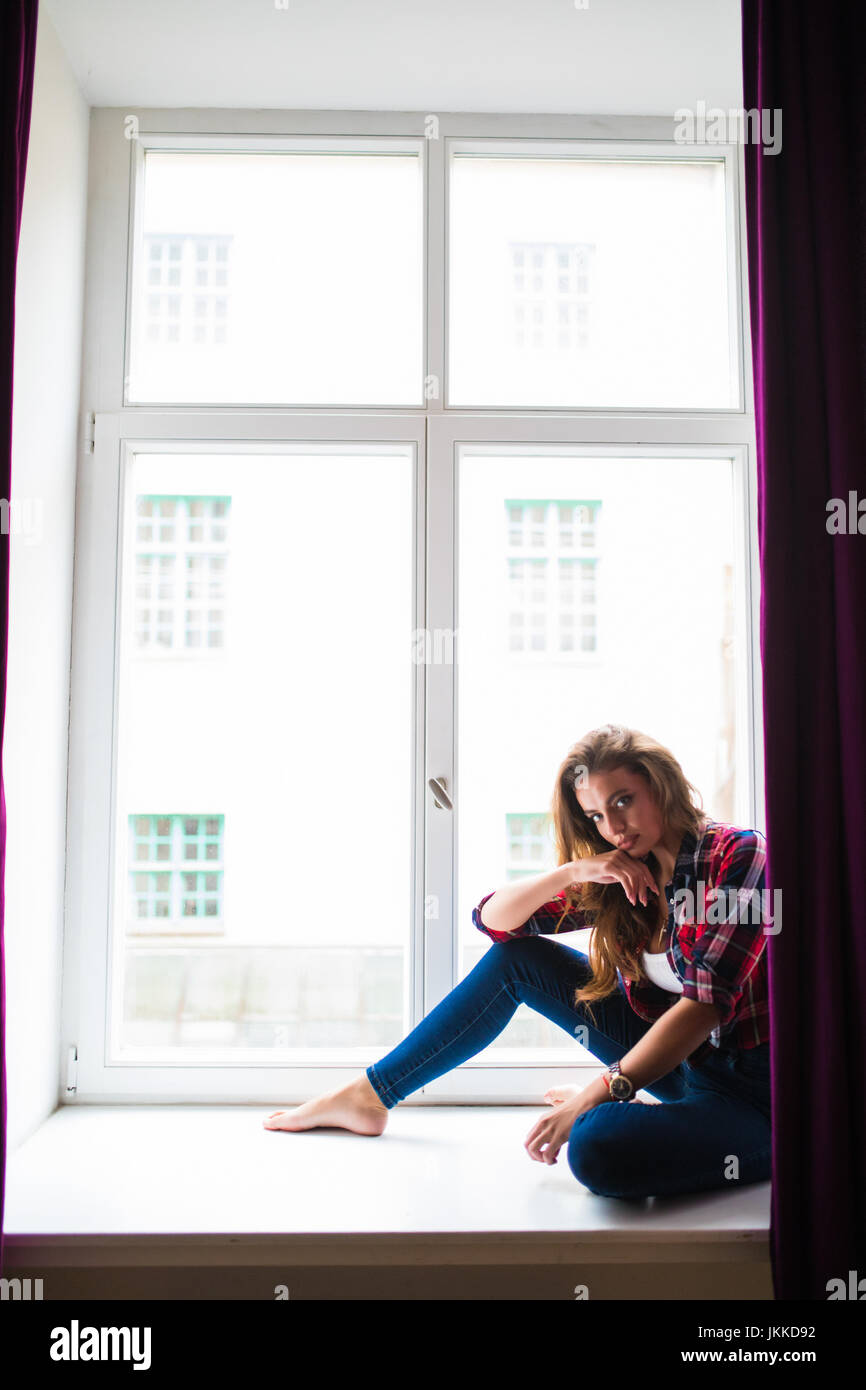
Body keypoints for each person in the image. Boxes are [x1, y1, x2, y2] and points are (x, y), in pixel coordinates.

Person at [263, 723, 772, 1200]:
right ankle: (369, 1096)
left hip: (754, 1093)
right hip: (683, 1066)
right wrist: (574, 871)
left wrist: (597, 1093)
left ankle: (645, 1110)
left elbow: (705, 1004)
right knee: (519, 959)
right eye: (596, 815)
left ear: (661, 786)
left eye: (623, 802)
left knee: (598, 1144)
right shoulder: (623, 873)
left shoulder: (738, 855)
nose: (613, 827)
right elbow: (497, 922)